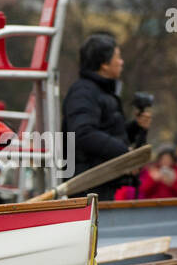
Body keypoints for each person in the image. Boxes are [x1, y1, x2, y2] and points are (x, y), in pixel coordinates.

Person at [61, 32, 151, 199]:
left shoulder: (100, 92)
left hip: (102, 183)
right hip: (88, 186)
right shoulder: (84, 92)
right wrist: (125, 153)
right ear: (104, 64)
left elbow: (107, 132)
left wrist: (135, 128)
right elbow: (84, 133)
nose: (121, 62)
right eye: (118, 57)